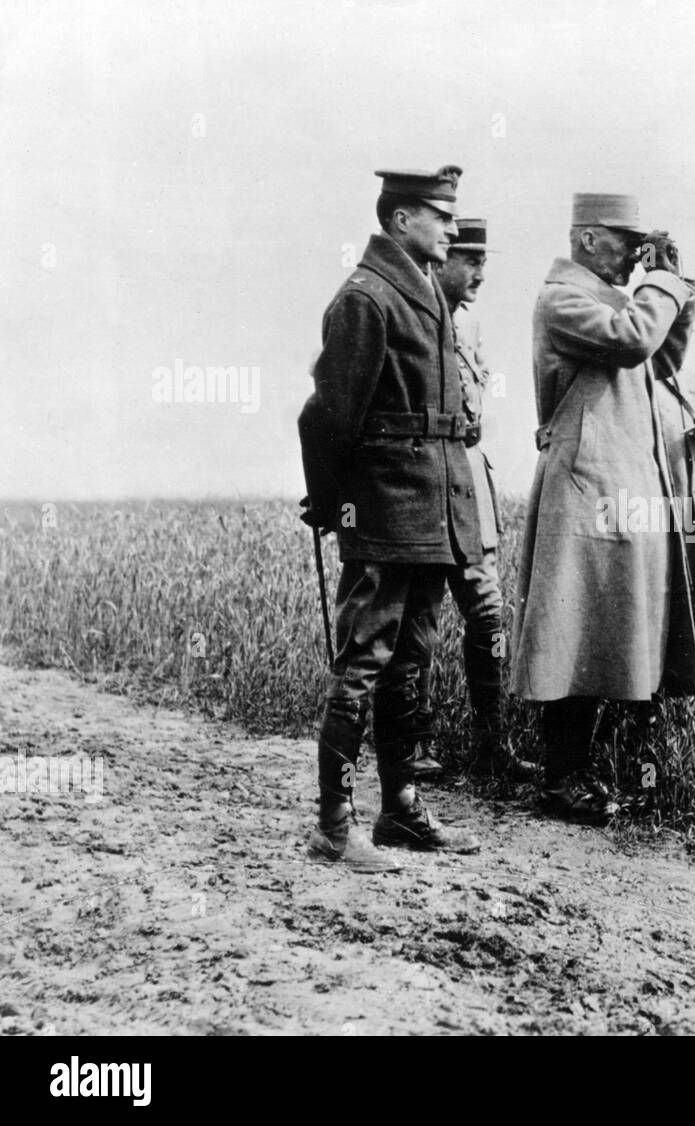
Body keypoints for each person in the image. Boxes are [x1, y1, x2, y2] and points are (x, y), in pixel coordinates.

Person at [510, 193, 695, 823]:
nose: (633, 252)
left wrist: (675, 290)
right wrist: (660, 283)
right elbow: (635, 339)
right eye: (623, 240)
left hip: (617, 483)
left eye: (639, 243)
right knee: (571, 629)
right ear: (585, 239)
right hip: (585, 485)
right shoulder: (563, 300)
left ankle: (588, 772)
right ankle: (560, 781)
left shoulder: (610, 300)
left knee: (614, 628)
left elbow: (663, 356)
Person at [297, 167, 484, 872]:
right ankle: (333, 825)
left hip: (431, 508)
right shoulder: (366, 297)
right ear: (401, 220)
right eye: (441, 215)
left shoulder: (427, 290)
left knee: (411, 661)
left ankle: (400, 810)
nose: (453, 229)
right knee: (365, 661)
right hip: (383, 508)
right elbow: (327, 415)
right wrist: (331, 501)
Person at [422, 218, 538, 781]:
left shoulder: (468, 326)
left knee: (488, 614)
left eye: (484, 262)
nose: (480, 274)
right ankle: (412, 743)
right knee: (415, 618)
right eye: (470, 261)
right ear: (440, 258)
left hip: (469, 475)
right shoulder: (413, 319)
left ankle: (491, 746)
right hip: (423, 480)